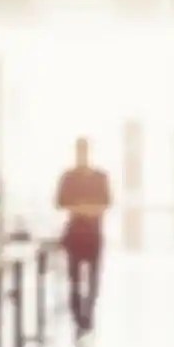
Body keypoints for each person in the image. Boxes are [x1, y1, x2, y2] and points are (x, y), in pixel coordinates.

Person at [56, 137, 112, 335]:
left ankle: (89, 315)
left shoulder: (100, 177)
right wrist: (84, 209)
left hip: (94, 234)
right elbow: (61, 202)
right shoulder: (68, 177)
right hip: (75, 235)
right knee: (74, 278)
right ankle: (78, 316)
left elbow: (106, 203)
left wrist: (83, 208)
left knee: (94, 278)